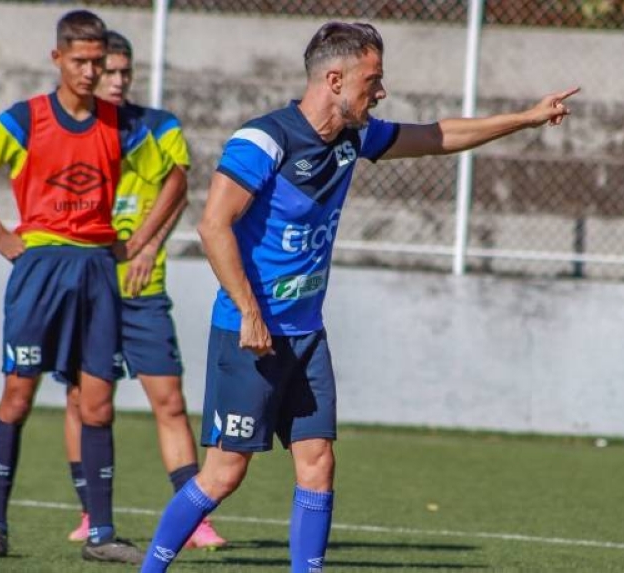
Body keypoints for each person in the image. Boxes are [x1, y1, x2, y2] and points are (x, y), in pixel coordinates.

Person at [139, 21, 579, 572]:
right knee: (224, 474)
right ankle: (151, 568)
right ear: (334, 78)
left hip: (306, 334)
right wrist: (250, 311)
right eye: (372, 79)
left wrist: (526, 118)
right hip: (249, 335)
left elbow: (437, 137)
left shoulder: (354, 136)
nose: (381, 91)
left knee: (318, 461)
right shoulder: (263, 140)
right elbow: (213, 226)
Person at [0, 10, 180, 564]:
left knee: (97, 406)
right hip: (40, 269)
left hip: (98, 270)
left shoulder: (120, 124)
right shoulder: (27, 118)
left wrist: (139, 240)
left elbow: (175, 178)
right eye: (81, 61)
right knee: (18, 396)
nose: (91, 72)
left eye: (98, 62)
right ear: (57, 59)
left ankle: (101, 534)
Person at [62, 30, 226, 550]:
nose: (115, 81)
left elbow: (178, 183)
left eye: (123, 73)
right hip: (87, 288)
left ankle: (193, 518)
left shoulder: (155, 127)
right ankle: (92, 514)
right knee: (84, 403)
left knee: (170, 400)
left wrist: (148, 245)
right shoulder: (75, 130)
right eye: (107, 71)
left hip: (141, 290)